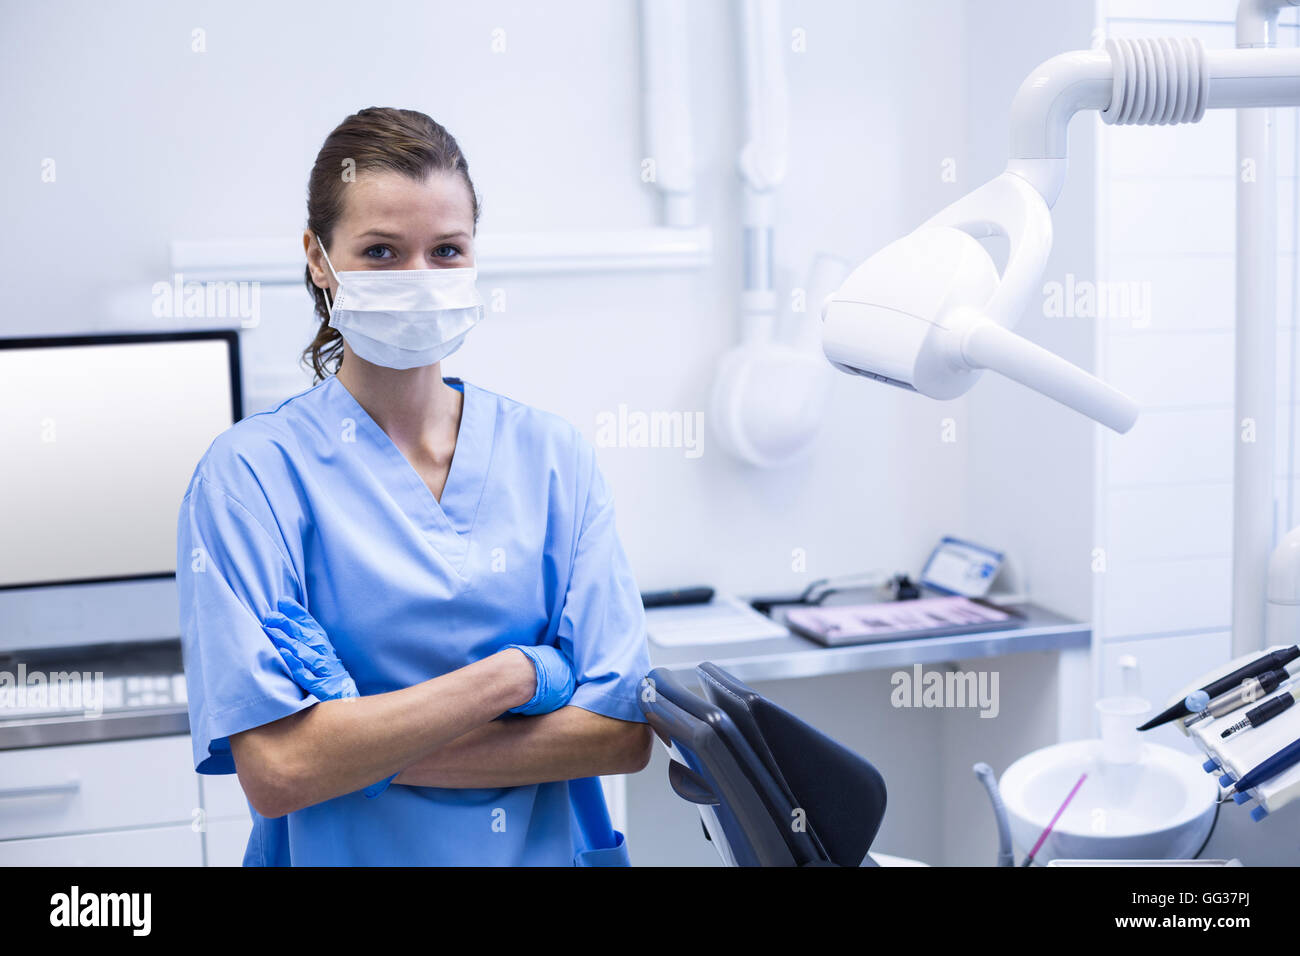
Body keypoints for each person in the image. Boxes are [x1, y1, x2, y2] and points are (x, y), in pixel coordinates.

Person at [176, 107, 653, 866]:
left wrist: (350, 737)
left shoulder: (553, 459)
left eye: (446, 251)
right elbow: (277, 772)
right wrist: (518, 673)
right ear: (317, 258)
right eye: (382, 252)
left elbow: (622, 733)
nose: (419, 280)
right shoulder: (250, 477)